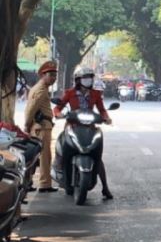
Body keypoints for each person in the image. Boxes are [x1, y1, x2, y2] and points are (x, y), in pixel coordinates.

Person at [54, 66, 114, 200]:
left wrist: (106, 117)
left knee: (97, 157)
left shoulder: (96, 94)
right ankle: (64, 178)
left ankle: (105, 187)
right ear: (78, 80)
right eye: (86, 78)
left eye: (90, 78)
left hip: (91, 128)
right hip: (73, 126)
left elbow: (102, 109)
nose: (89, 80)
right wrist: (59, 114)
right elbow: (58, 107)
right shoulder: (69, 93)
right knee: (66, 152)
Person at [23, 61, 58, 192]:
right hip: (41, 127)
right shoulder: (41, 90)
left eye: (55, 75)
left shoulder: (41, 88)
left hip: (41, 126)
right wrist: (26, 126)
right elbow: (31, 109)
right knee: (44, 156)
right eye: (51, 75)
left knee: (36, 157)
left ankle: (28, 183)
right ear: (43, 75)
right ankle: (44, 184)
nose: (53, 78)